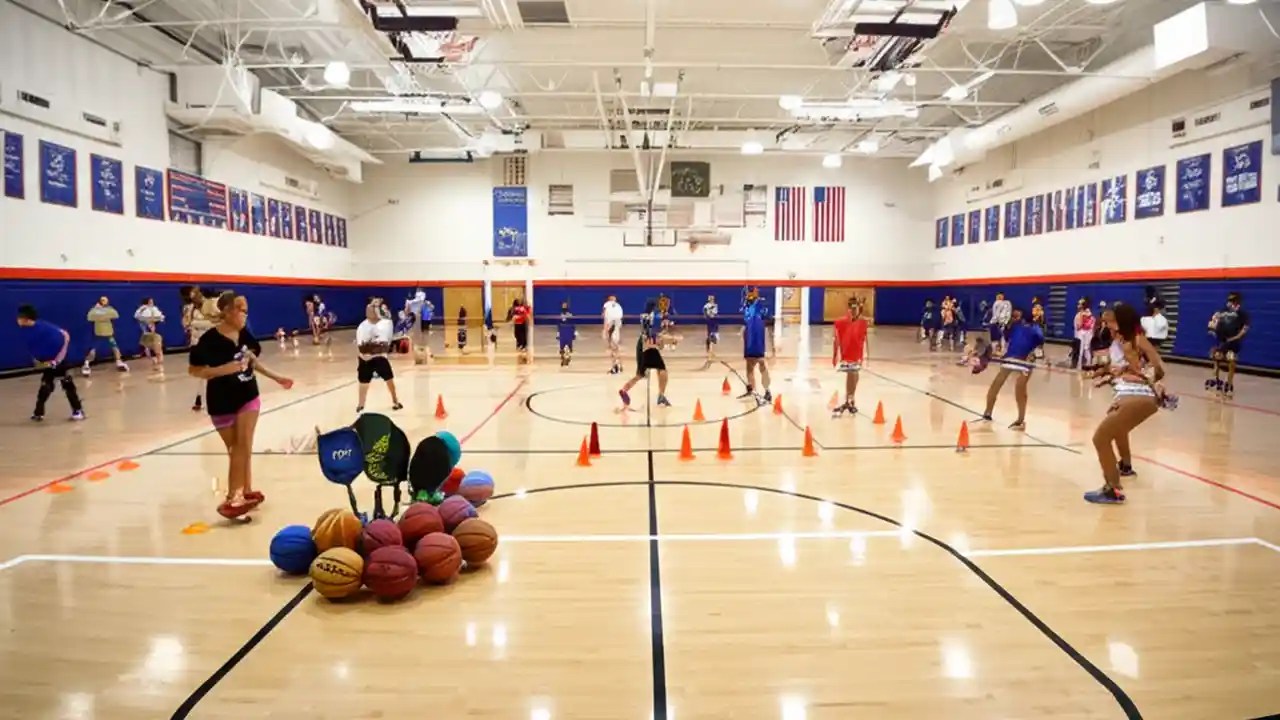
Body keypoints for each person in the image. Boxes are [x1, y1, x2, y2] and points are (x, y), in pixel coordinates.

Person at [188, 291, 293, 520]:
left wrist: (277, 377)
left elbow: (251, 360)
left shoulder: (245, 334)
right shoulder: (209, 341)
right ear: (226, 311)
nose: (244, 314)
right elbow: (195, 370)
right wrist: (223, 370)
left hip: (247, 396)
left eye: (246, 309)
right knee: (236, 450)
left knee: (242, 445)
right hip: (220, 402)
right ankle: (243, 490)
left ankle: (235, 496)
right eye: (240, 309)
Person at [1084, 303, 1170, 505]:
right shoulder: (1123, 340)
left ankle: (1113, 489)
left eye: (1111, 321)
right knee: (1113, 430)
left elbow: (1159, 368)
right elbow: (1125, 366)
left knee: (1100, 438)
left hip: (1138, 395)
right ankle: (1124, 469)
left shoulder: (1137, 340)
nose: (1108, 325)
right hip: (1128, 394)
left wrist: (1144, 377)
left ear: (1122, 321)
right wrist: (1109, 373)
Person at [977, 308, 1044, 430]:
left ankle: (1020, 420)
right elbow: (1007, 340)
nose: (1015, 317)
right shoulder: (1015, 327)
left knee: (1020, 388)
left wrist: (1033, 356)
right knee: (996, 383)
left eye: (1017, 316)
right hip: (1010, 358)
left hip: (1025, 361)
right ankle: (987, 412)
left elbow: (1039, 349)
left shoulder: (1037, 330)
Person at [17, 305, 85, 422]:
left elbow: (65, 335)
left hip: (60, 360)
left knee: (67, 384)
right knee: (46, 385)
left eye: (19, 318)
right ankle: (38, 413)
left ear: (26, 319)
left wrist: (58, 360)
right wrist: (40, 361)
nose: (17, 320)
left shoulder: (44, 328)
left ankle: (78, 410)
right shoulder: (28, 331)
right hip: (48, 361)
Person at [619, 300, 670, 408]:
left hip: (640, 344)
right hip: (648, 345)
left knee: (640, 374)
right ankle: (661, 396)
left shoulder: (643, 316)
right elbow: (654, 332)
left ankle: (625, 389)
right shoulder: (655, 317)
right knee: (662, 369)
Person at [355, 303, 402, 414]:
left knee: (389, 379)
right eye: (368, 310)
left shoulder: (385, 324)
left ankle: (395, 401)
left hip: (380, 358)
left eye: (372, 310)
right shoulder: (362, 327)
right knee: (363, 382)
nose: (369, 312)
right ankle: (361, 405)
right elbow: (360, 345)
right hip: (365, 359)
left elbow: (387, 341)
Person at [831, 299, 870, 416]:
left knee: (854, 374)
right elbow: (836, 339)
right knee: (851, 374)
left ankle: (850, 398)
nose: (854, 311)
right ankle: (849, 399)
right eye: (852, 308)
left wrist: (865, 356)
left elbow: (864, 339)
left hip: (857, 353)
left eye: (856, 308)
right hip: (847, 353)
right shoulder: (841, 322)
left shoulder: (863, 323)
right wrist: (835, 355)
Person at [182, 286, 218, 411]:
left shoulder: (212, 306)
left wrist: (196, 324)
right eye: (193, 294)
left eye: (197, 294)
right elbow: (186, 323)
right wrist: (191, 325)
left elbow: (215, 323)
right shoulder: (189, 309)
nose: (194, 296)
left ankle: (207, 397)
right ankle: (199, 398)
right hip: (196, 344)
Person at [1207, 292, 1248, 398]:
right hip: (1222, 341)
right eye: (1230, 301)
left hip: (1233, 343)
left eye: (1234, 302)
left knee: (1231, 360)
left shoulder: (1242, 315)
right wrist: (1213, 329)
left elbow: (1244, 329)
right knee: (1217, 358)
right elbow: (1212, 323)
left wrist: (1235, 338)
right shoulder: (1221, 312)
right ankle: (1216, 380)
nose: (1231, 304)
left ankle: (1229, 384)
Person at [82, 296, 128, 375]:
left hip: (109, 333)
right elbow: (89, 317)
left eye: (106, 300)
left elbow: (115, 315)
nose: (105, 302)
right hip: (99, 333)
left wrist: (103, 315)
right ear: (100, 301)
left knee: (115, 347)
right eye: (103, 300)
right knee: (93, 349)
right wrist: (102, 314)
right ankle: (86, 364)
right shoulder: (94, 310)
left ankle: (119, 362)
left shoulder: (109, 309)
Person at [740, 289, 772, 405]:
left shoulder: (747, 318)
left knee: (749, 369)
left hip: (750, 347)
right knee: (763, 367)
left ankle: (754, 393)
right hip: (759, 347)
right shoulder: (761, 317)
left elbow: (744, 335)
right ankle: (767, 391)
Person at [134, 297, 166, 371]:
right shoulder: (142, 309)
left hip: (153, 331)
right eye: (151, 301)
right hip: (147, 332)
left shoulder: (154, 309)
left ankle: (159, 361)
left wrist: (156, 319)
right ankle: (153, 360)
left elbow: (161, 317)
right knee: (148, 346)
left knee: (157, 345)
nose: (152, 303)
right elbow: (137, 316)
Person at [602, 295, 624, 374]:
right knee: (616, 348)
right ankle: (619, 366)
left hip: (611, 328)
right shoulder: (619, 306)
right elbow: (620, 319)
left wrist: (606, 330)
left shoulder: (607, 305)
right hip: (616, 329)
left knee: (612, 348)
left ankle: (615, 367)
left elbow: (604, 316)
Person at [702, 294, 720, 369]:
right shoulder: (706, 306)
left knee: (714, 339)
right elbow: (705, 313)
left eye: (712, 298)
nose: (712, 300)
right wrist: (708, 317)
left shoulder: (715, 305)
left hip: (714, 323)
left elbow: (715, 313)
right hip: (711, 322)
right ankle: (710, 355)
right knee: (711, 338)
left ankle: (710, 354)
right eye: (711, 299)